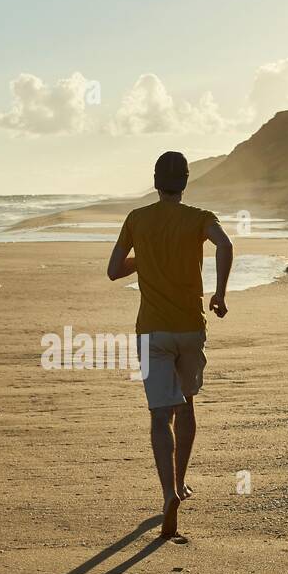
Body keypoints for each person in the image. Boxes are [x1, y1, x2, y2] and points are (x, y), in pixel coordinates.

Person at [106, 151, 234, 540]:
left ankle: (167, 494)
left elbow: (113, 271)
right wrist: (220, 294)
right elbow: (225, 246)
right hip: (189, 328)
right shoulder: (200, 217)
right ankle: (182, 481)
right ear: (186, 181)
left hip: (152, 332)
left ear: (156, 179)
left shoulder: (137, 219)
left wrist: (143, 258)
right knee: (188, 403)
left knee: (160, 415)